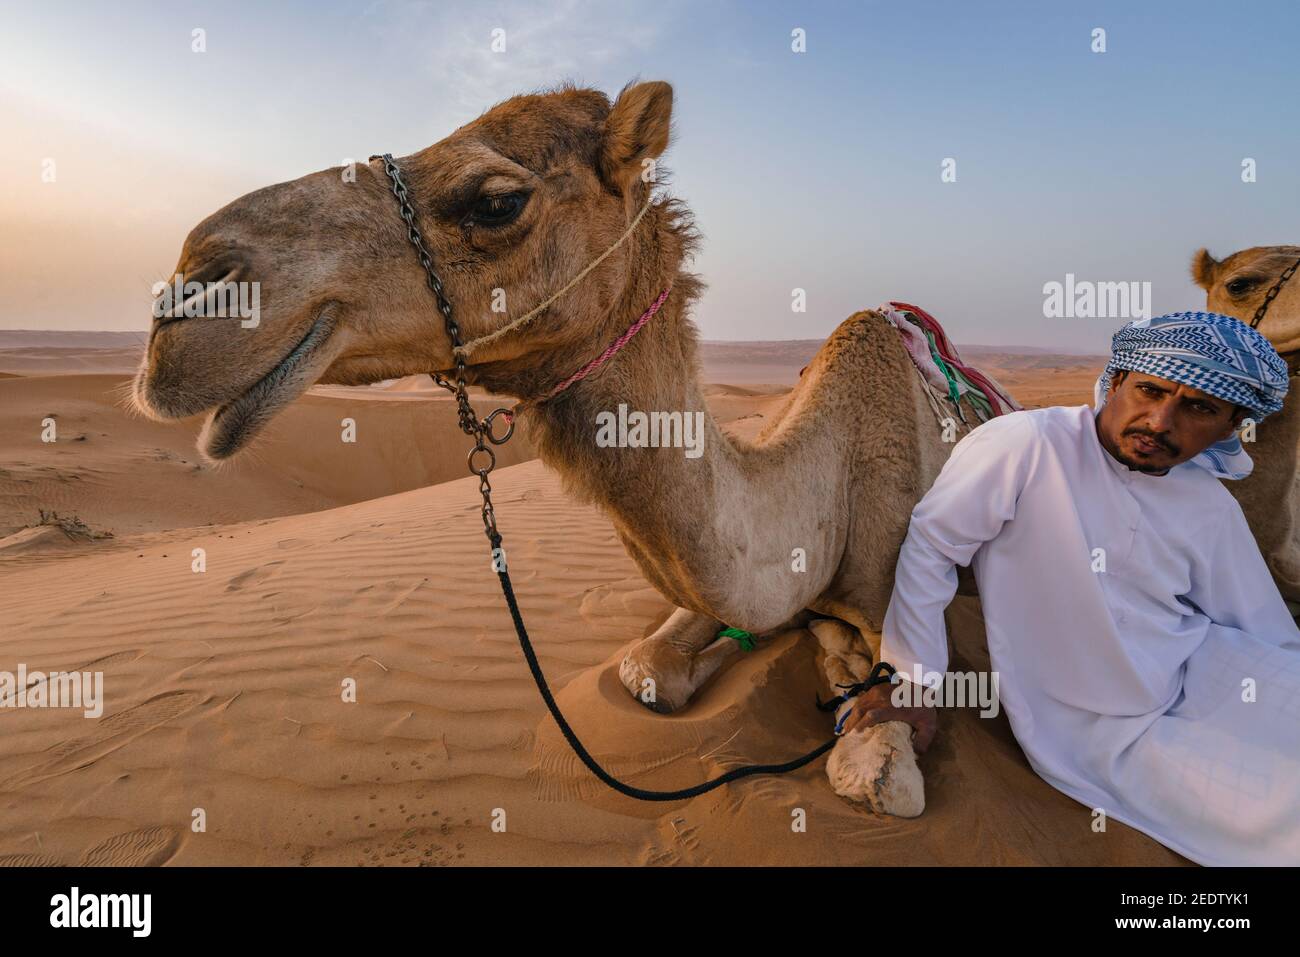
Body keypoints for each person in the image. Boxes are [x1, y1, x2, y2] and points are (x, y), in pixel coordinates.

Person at [841, 311, 1300, 866]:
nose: (1160, 421)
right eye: (1150, 391)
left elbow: (1255, 622)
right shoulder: (1028, 445)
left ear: (1230, 426)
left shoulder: (1207, 500)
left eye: (1199, 407)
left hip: (1204, 666)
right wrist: (911, 679)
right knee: (1278, 808)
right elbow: (934, 547)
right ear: (1117, 381)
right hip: (1106, 726)